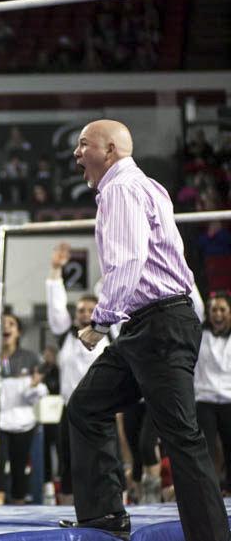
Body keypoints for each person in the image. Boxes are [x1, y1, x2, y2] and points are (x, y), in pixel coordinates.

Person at [60, 119, 230, 541]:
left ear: (112, 149)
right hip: (150, 325)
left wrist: (99, 322)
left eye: (84, 145)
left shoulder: (119, 189)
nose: (77, 153)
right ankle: (104, 518)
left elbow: (130, 261)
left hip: (158, 323)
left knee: (182, 436)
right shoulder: (147, 186)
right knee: (86, 406)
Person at [45, 242, 108, 505]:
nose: (83, 313)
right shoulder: (65, 336)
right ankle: (69, 506)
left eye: (89, 309)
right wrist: (56, 270)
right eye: (80, 310)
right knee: (68, 461)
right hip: (68, 408)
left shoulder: (109, 332)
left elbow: (110, 293)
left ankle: (105, 505)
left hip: (99, 410)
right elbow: (56, 307)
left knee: (99, 460)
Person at [0, 314, 47, 505]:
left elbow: (35, 395)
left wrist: (34, 386)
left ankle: (18, 505)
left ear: (18, 332)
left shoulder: (30, 358)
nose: (6, 327)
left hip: (23, 425)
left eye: (11, 324)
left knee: (19, 467)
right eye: (2, 324)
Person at [194, 292, 231, 494]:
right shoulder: (200, 334)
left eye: (223, 310)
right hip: (205, 400)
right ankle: (208, 491)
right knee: (206, 450)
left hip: (229, 401)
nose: (218, 314)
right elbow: (195, 302)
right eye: (214, 310)